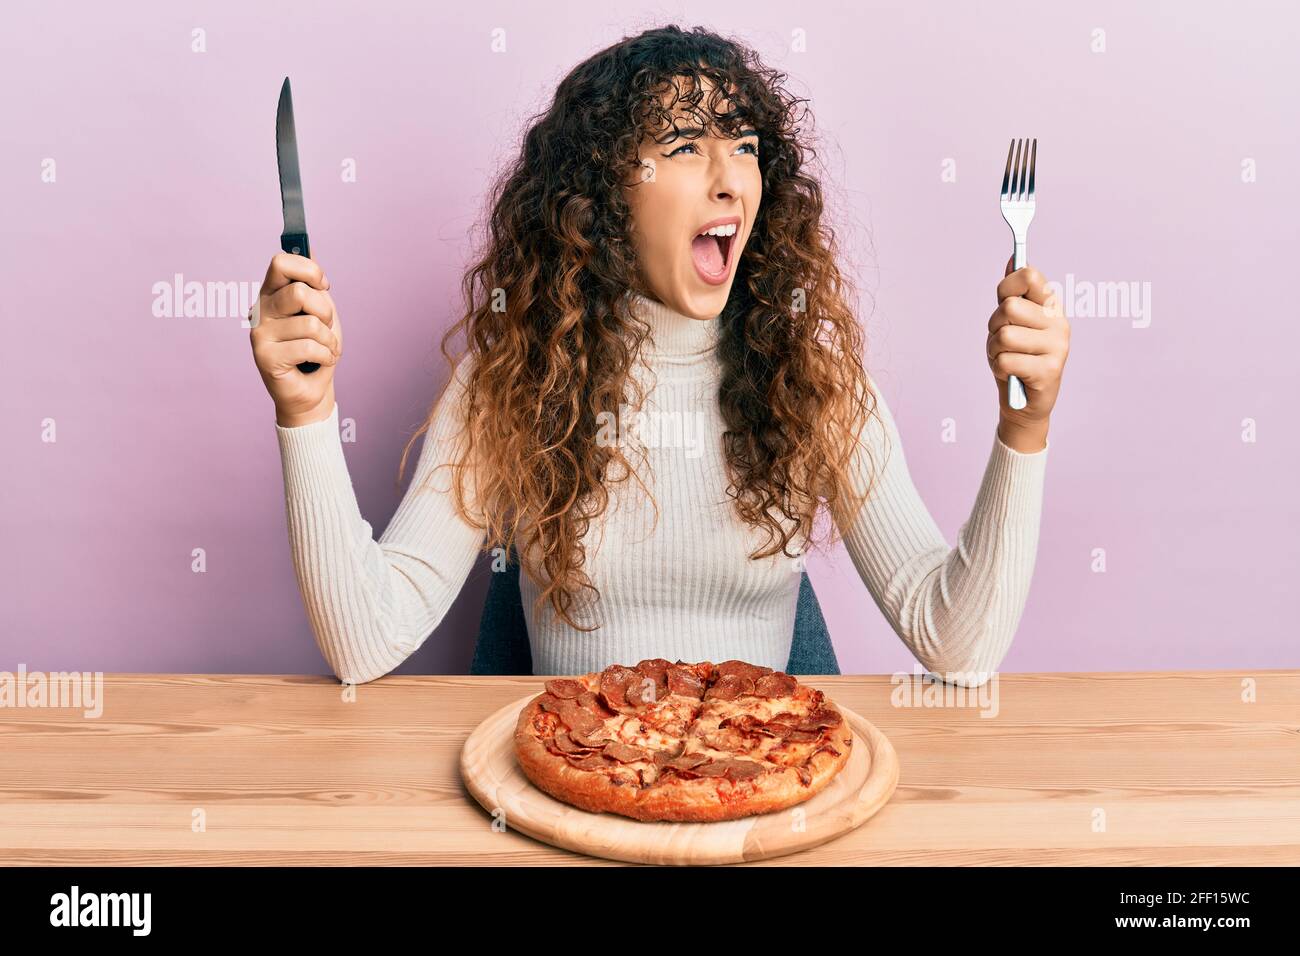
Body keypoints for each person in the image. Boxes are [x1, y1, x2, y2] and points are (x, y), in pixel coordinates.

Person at [249, 25, 1068, 685]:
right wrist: (307, 412)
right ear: (598, 199)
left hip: (756, 791)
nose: (730, 181)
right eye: (683, 147)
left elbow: (957, 642)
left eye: (744, 146)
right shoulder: (512, 381)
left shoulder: (812, 376)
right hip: (572, 787)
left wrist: (1022, 428)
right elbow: (365, 641)